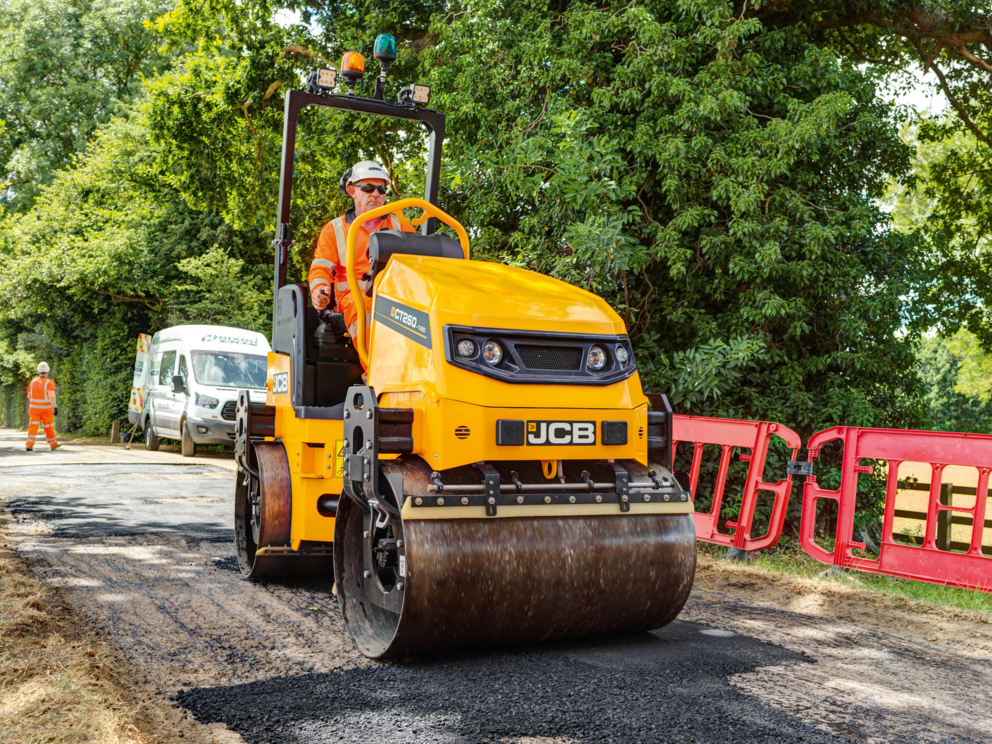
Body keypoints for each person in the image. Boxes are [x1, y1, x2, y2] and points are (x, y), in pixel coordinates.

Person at [308, 160, 415, 347]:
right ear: (352, 191)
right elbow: (320, 268)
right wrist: (319, 290)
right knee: (367, 307)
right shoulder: (335, 229)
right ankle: (375, 374)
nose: (376, 194)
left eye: (381, 190)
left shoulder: (401, 226)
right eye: (368, 188)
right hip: (354, 298)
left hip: (396, 296)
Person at [26, 362, 60, 451]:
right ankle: (53, 444)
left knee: (33, 426)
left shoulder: (32, 382)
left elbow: (29, 396)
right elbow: (51, 395)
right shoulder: (49, 382)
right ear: (48, 372)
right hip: (46, 410)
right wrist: (55, 407)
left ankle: (29, 444)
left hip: (34, 410)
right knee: (49, 427)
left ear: (38, 371)